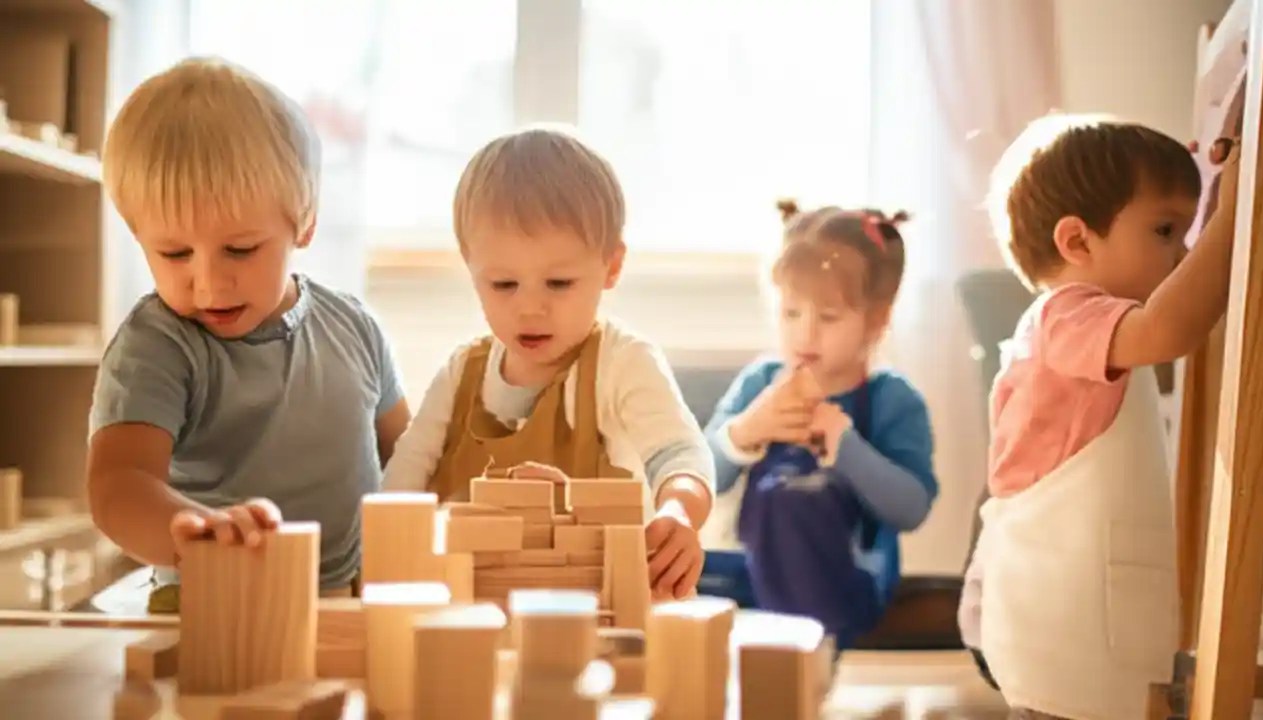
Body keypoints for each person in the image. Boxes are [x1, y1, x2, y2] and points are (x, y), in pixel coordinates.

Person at [87, 57, 410, 608]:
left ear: (303, 223)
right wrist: (195, 533)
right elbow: (118, 484)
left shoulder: (355, 328)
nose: (209, 284)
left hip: (351, 597)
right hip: (212, 601)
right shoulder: (157, 347)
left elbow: (411, 459)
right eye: (174, 253)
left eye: (240, 249)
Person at [959, 113, 1240, 719]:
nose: (1183, 252)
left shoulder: (1079, 324)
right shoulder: (1069, 316)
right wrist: (1232, 218)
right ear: (1078, 243)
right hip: (1059, 622)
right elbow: (1171, 327)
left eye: (1189, 232)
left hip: (1072, 620)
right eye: (1166, 230)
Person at [381, 126, 714, 600]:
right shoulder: (461, 373)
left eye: (558, 283)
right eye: (503, 285)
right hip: (477, 607)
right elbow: (404, 481)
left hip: (602, 606)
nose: (530, 308)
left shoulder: (622, 363)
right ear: (470, 265)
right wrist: (391, 560)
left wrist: (678, 511)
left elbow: (679, 455)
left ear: (611, 267)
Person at [701, 200, 938, 648]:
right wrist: (746, 431)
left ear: (876, 320)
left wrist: (845, 444)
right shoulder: (762, 382)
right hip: (757, 572)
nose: (805, 335)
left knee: (799, 500)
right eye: (791, 313)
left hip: (849, 585)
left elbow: (911, 508)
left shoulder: (892, 398)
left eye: (828, 318)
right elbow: (698, 476)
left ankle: (804, 656)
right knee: (668, 566)